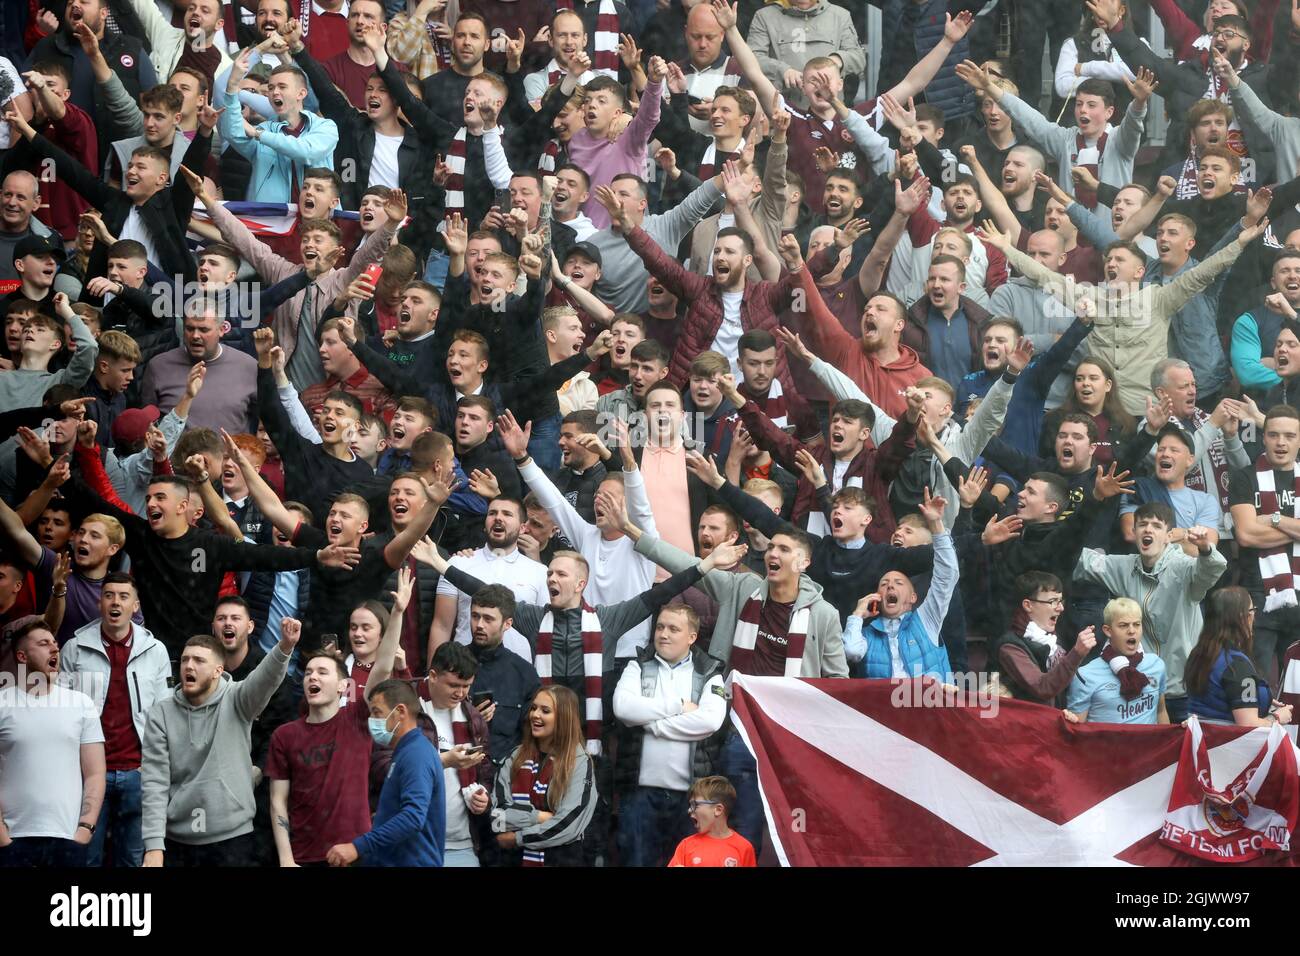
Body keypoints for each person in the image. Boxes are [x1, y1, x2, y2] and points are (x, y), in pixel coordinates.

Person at [140, 621, 301, 866]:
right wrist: (153, 845)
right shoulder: (160, 714)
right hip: (177, 841)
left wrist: (284, 647)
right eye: (185, 660)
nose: (189, 666)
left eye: (198, 661)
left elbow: (264, 679)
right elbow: (154, 782)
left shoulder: (238, 699)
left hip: (232, 838)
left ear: (218, 670)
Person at [56, 573, 169, 867]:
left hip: (138, 771)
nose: (115, 602)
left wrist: (153, 764)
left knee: (132, 858)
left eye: (123, 596)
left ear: (135, 605)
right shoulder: (75, 647)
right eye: (109, 595)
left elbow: (163, 713)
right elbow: (61, 713)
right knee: (86, 857)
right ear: (99, 602)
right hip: (90, 774)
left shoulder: (155, 650)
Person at [613, 601, 726, 868]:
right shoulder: (637, 666)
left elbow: (710, 720)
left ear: (692, 637)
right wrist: (678, 706)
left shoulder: (710, 672)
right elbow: (623, 708)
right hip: (640, 794)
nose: (663, 634)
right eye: (660, 627)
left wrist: (653, 725)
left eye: (674, 629)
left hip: (692, 799)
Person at [0, 616, 105, 867]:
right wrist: (2, 836)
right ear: (23, 657)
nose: (55, 647)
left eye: (55, 643)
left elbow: (95, 772)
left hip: (67, 838)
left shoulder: (81, 704)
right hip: (12, 838)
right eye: (44, 643)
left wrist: (85, 828)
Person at [327, 675, 444, 867]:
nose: (371, 720)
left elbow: (413, 817)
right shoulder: (405, 751)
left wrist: (357, 847)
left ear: (400, 712)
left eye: (377, 712)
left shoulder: (416, 754)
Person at [842, 488, 955, 680]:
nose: (890, 586)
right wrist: (857, 615)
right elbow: (852, 652)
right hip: (883, 709)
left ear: (913, 597)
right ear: (877, 596)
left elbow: (948, 574)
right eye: (884, 583)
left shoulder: (927, 620)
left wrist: (936, 524)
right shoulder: (868, 633)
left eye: (899, 583)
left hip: (927, 706)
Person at [489, 684, 599, 866]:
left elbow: (568, 826)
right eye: (533, 708)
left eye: (545, 710)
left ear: (564, 718)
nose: (535, 715)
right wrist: (538, 817)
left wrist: (517, 838)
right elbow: (497, 818)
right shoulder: (513, 757)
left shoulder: (580, 762)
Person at [1187, 586, 1295, 727]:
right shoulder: (1235, 665)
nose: (1253, 616)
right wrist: (1278, 717)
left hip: (1202, 741)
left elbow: (1225, 693)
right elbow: (1248, 724)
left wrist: (1261, 696)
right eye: (1252, 610)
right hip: (1227, 744)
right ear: (1242, 618)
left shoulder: (1200, 654)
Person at [989, 572, 1095, 704]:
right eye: (1053, 601)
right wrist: (1077, 653)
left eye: (1061, 600)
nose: (1060, 608)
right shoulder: (1010, 647)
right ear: (1028, 605)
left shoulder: (1052, 641)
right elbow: (1042, 688)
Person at [1064, 598, 1169, 724]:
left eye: (1136, 624)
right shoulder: (1085, 675)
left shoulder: (1156, 665)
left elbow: (1161, 711)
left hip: (1151, 743)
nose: (1131, 631)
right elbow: (1076, 728)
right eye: (1123, 625)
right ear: (1108, 630)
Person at [667, 774, 756, 868]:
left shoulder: (744, 847)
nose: (689, 810)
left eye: (695, 805)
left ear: (718, 810)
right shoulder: (686, 846)